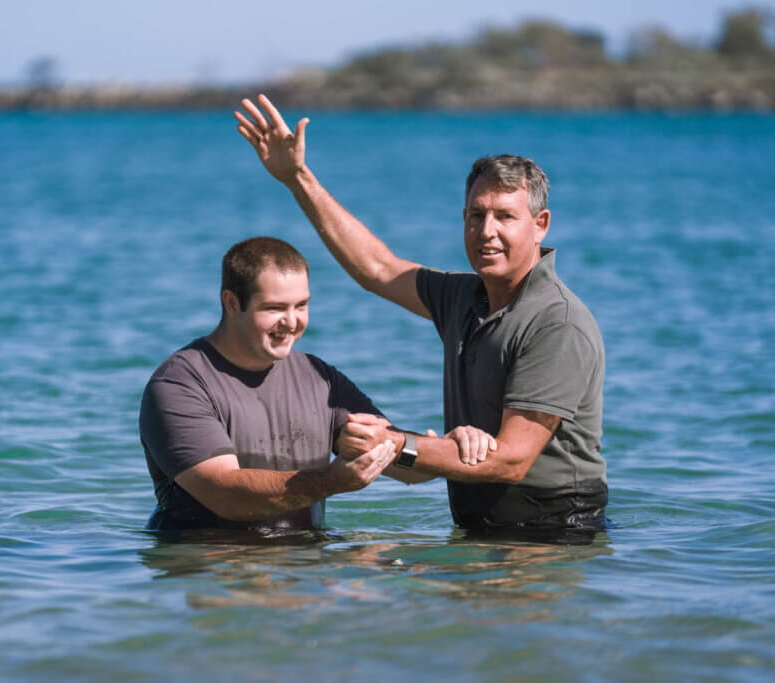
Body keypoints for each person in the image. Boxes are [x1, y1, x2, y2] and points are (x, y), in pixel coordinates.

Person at [235, 96, 607, 532]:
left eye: (505, 217)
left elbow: (510, 459)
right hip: (482, 537)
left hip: (557, 535)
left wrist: (395, 444)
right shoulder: (462, 297)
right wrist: (298, 178)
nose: (487, 231)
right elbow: (377, 269)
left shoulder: (556, 322)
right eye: (476, 215)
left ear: (540, 224)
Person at [140, 236, 468, 533]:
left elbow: (399, 460)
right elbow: (225, 495)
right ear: (231, 302)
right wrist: (330, 481)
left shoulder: (319, 379)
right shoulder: (179, 383)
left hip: (304, 570)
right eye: (274, 308)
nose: (292, 322)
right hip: (212, 568)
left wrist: (447, 448)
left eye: (302, 305)